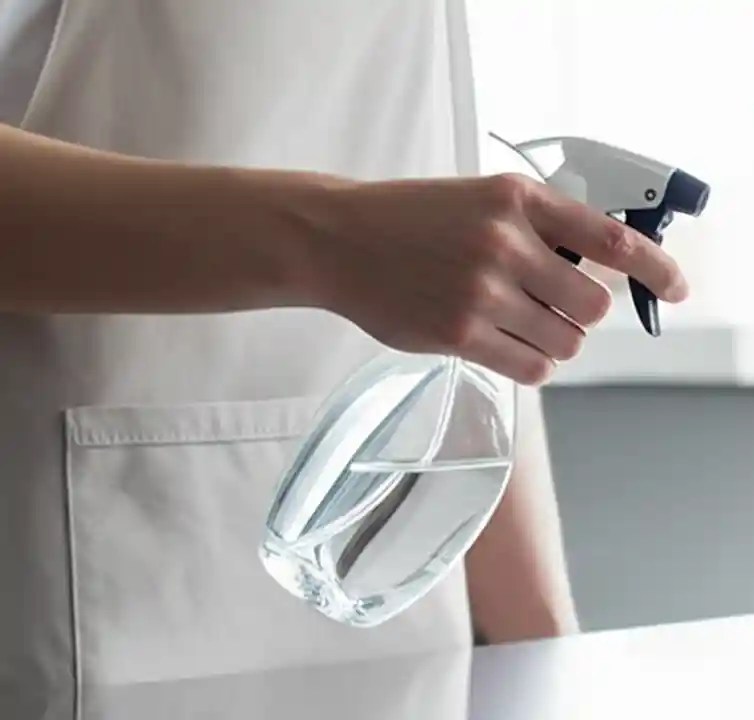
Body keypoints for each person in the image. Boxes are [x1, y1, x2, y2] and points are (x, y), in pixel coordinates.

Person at [0, 0, 689, 699]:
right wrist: (329, 241)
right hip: (103, 593)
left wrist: (538, 644)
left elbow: (467, 278)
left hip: (406, 626)